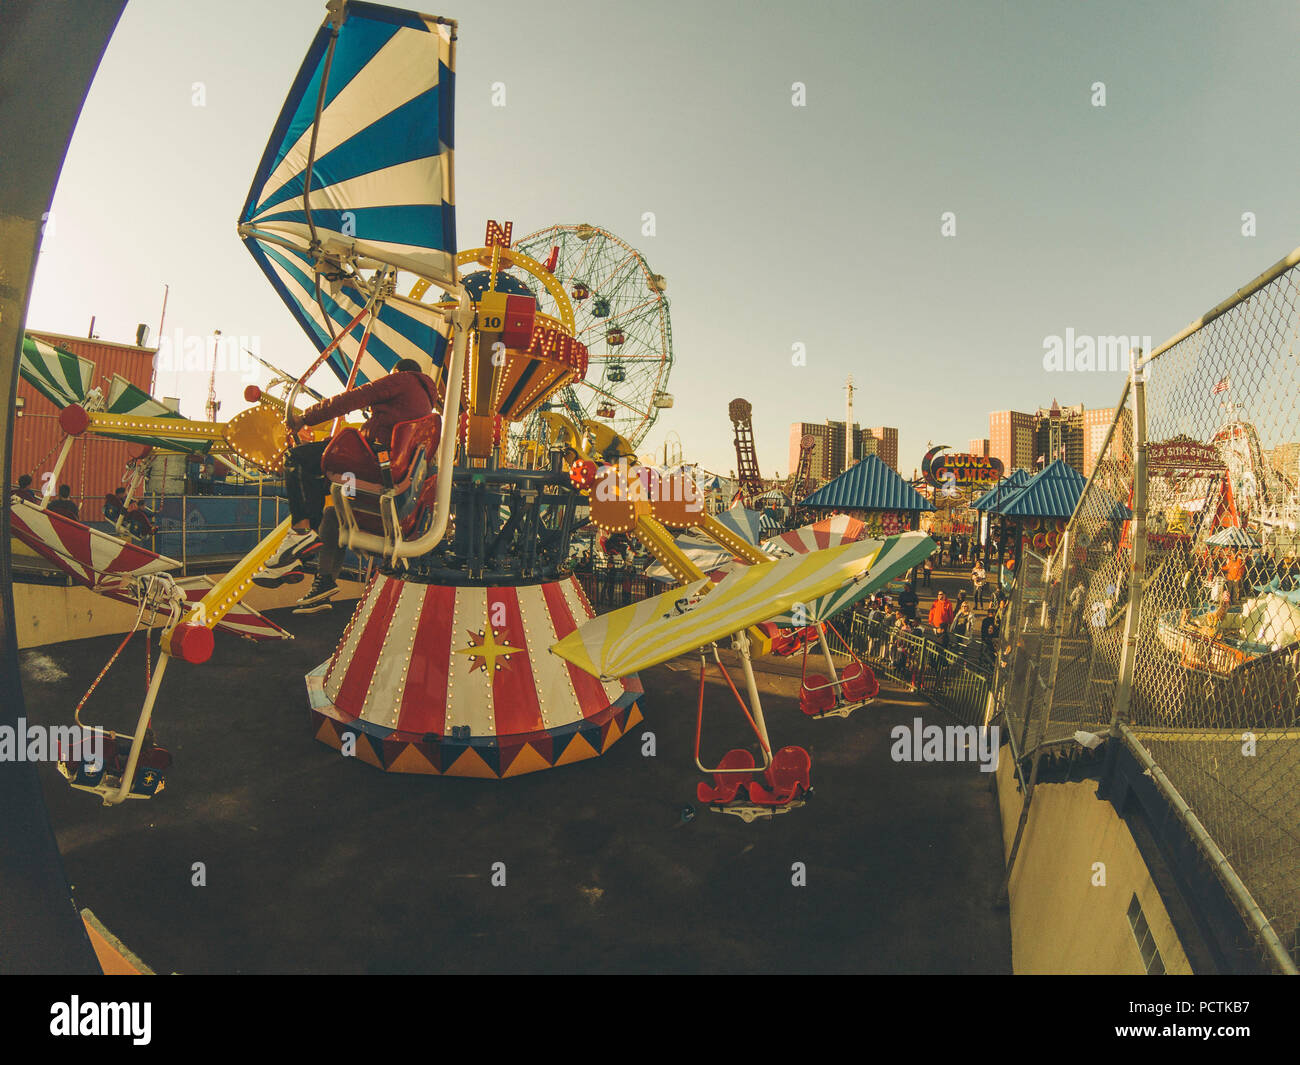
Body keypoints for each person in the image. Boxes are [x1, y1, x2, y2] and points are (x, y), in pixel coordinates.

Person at [263, 359, 438, 608]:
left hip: (372, 461)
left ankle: (301, 532)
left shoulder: (402, 379)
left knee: (297, 458)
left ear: (397, 372)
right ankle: (322, 579)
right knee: (333, 514)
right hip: (390, 476)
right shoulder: (425, 405)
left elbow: (355, 397)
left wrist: (306, 418)